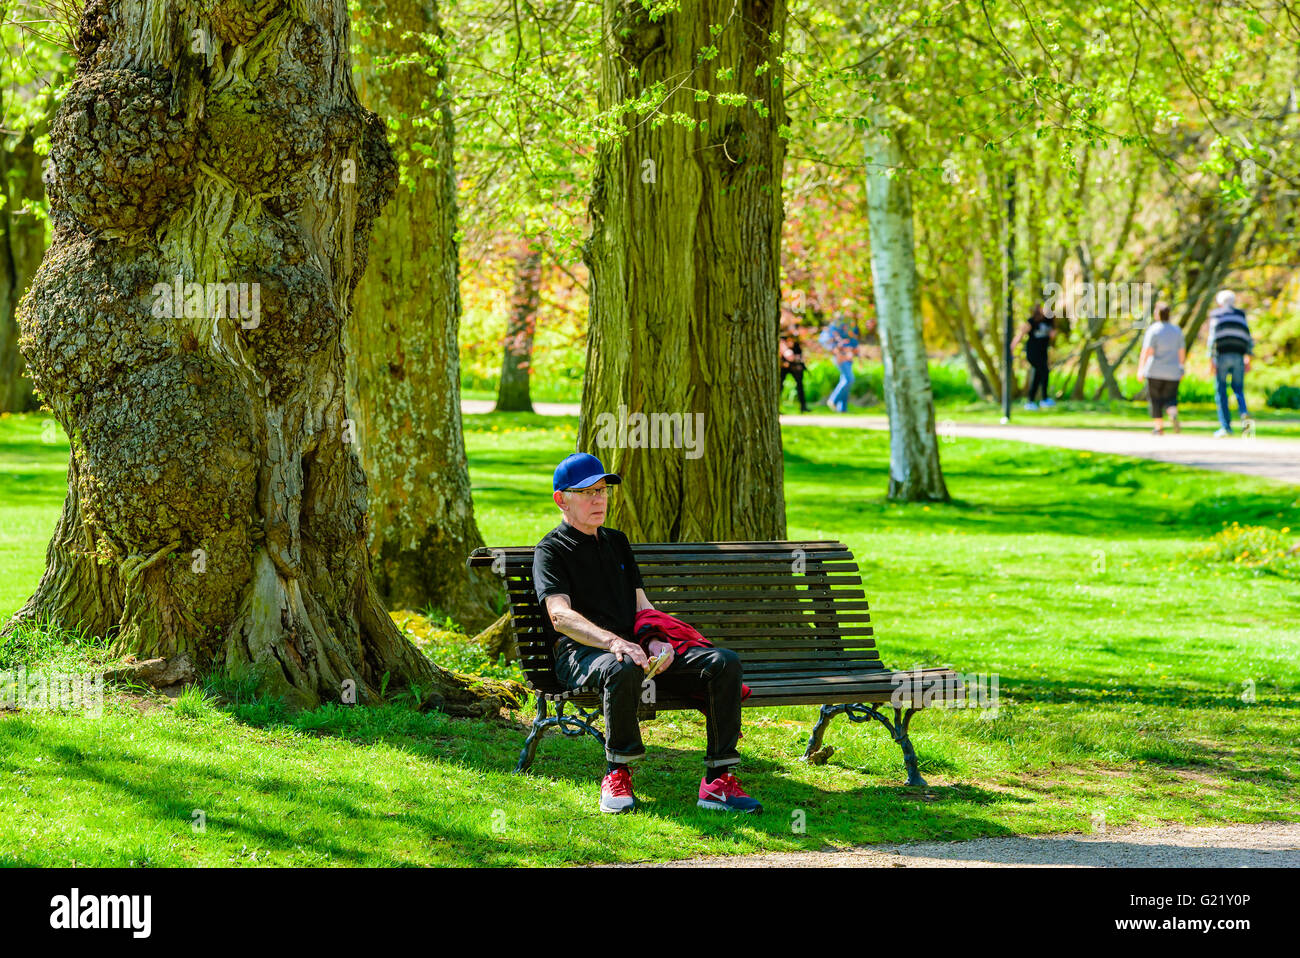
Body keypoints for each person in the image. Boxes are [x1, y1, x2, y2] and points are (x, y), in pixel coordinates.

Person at [532, 452, 761, 815]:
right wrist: (613, 641)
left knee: (723, 663)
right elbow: (560, 616)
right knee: (620, 666)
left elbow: (642, 607)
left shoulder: (618, 542)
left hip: (638, 651)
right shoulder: (551, 550)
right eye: (587, 492)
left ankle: (718, 780)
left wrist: (657, 641)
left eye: (603, 490)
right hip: (581, 654)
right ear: (562, 499)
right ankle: (617, 773)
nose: (599, 499)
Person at [1206, 290, 1254, 437]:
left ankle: (1226, 427)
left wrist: (1210, 360)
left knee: (1221, 391)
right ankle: (1247, 426)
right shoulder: (1241, 316)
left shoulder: (1217, 315)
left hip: (1222, 356)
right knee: (1239, 390)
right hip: (1239, 356)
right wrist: (1248, 358)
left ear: (1220, 302)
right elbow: (1248, 339)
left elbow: (1212, 339)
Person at [1136, 301, 1185, 435]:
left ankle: (1159, 428)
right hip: (1173, 371)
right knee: (1171, 398)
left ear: (1157, 314)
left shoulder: (1154, 330)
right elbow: (1181, 352)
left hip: (1154, 371)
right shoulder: (1177, 331)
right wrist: (1181, 368)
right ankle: (1172, 412)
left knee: (1155, 400)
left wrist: (1141, 368)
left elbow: (1147, 351)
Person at [1012, 303, 1056, 410]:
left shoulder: (1050, 321)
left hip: (1043, 353)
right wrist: (1012, 347)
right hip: (1033, 353)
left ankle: (1031, 402)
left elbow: (1052, 336)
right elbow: (1020, 335)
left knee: (1038, 375)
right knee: (1044, 372)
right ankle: (1043, 399)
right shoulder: (1032, 321)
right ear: (1039, 309)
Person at [822, 314, 859, 413]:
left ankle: (842, 408)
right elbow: (827, 343)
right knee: (849, 379)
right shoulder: (832, 329)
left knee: (845, 380)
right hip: (840, 357)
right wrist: (838, 353)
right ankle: (833, 400)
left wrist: (852, 353)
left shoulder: (848, 328)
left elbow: (854, 343)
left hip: (848, 358)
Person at [780, 328, 809, 412]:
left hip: (795, 368)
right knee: (780, 386)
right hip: (784, 367)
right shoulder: (782, 343)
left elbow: (799, 356)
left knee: (800, 386)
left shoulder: (796, 345)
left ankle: (803, 407)